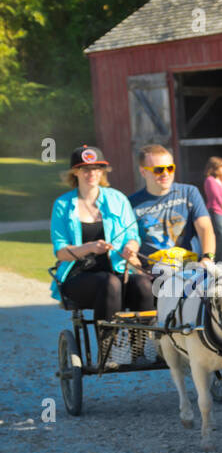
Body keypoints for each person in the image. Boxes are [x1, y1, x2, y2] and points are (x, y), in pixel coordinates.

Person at [50, 144, 151, 365]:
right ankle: (107, 352)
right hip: (79, 277)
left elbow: (133, 234)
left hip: (117, 271)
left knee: (144, 284)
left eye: (97, 168)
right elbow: (60, 251)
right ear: (75, 172)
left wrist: (131, 247)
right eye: (85, 169)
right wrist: (89, 247)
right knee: (109, 283)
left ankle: (139, 350)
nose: (92, 173)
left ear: (103, 172)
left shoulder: (117, 199)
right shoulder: (63, 205)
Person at [130, 144, 216, 270]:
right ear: (143, 172)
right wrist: (141, 272)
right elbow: (129, 245)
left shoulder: (189, 193)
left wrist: (207, 258)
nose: (165, 174)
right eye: (158, 170)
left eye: (170, 168)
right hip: (152, 270)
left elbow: (205, 229)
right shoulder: (131, 203)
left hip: (190, 266)